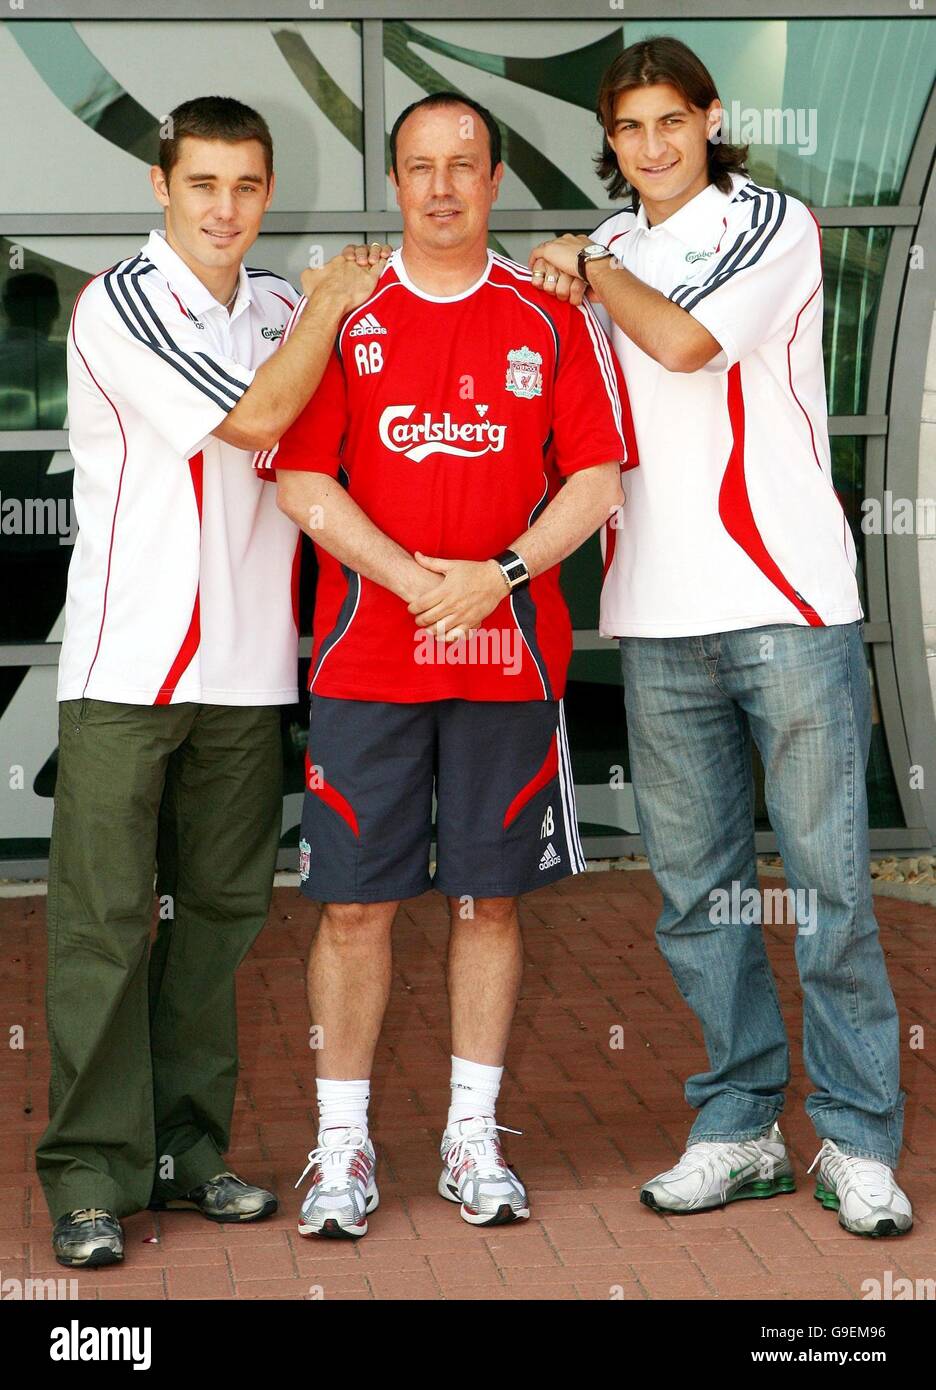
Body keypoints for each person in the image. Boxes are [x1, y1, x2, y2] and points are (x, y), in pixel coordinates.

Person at [529, 35, 911, 1238]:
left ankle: (858, 1138)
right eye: (629, 127)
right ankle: (741, 1125)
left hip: (785, 604)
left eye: (670, 121)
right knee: (698, 899)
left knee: (829, 889)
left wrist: (591, 267)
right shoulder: (608, 250)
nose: (651, 146)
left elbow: (687, 342)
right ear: (611, 138)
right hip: (655, 616)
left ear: (709, 119)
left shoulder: (769, 223)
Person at [257, 91, 635, 1237]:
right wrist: (415, 579)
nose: (440, 186)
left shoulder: (547, 315)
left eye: (462, 165)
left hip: (507, 664)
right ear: (394, 179)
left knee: (489, 899)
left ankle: (473, 1135)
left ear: (495, 179)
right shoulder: (347, 312)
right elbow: (300, 479)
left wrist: (498, 575)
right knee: (352, 910)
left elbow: (597, 480)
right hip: (368, 661)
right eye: (419, 165)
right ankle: (342, 1146)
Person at [36, 95, 383, 1268]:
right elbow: (256, 416)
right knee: (104, 925)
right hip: (127, 669)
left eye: (245, 187)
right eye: (202, 185)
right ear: (161, 186)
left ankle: (187, 1151)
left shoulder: (282, 303)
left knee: (218, 921)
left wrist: (571, 265)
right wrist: (330, 304)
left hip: (247, 672)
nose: (225, 209)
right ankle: (92, 1175)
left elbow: (434, 316)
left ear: (267, 192)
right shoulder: (123, 301)